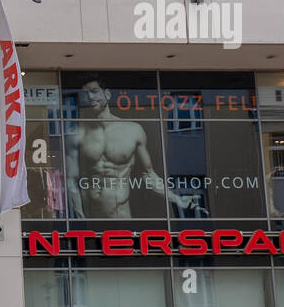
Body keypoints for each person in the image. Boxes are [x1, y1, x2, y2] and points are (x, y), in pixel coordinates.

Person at [65, 75, 200, 219]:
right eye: (85, 94)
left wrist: (177, 199)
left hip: (121, 216)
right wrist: (79, 216)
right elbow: (71, 180)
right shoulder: (76, 135)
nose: (90, 97)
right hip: (91, 218)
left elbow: (149, 175)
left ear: (108, 94)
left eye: (94, 91)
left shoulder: (133, 130)